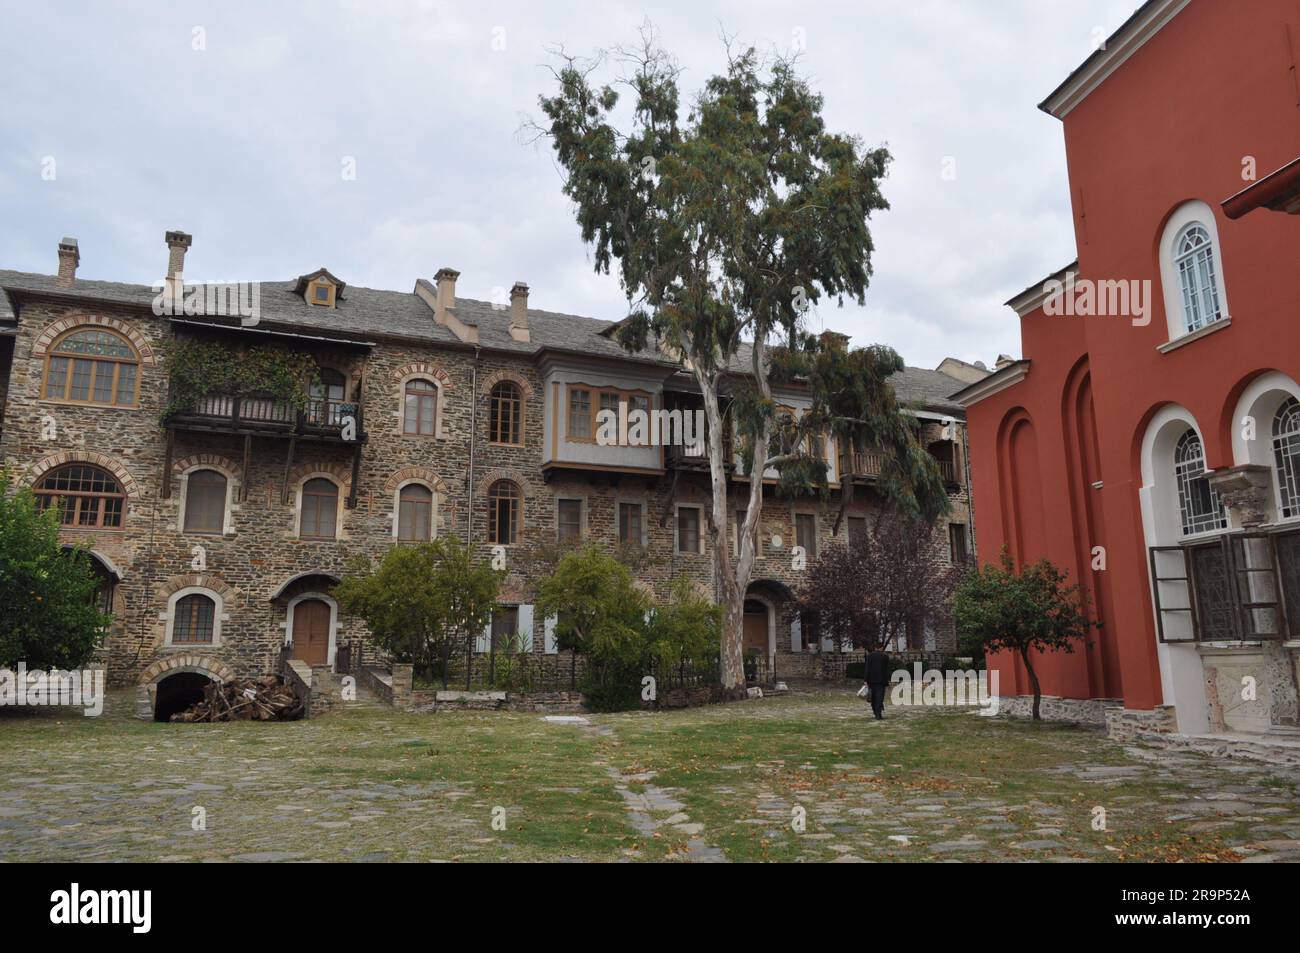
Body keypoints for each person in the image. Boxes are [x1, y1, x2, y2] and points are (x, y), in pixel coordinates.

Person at [865, 646, 890, 720]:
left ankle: (875, 711)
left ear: (875, 647)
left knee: (873, 696)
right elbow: (887, 669)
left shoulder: (870, 656)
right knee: (879, 697)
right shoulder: (885, 656)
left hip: (871, 680)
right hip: (881, 680)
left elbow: (867, 668)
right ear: (881, 648)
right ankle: (878, 713)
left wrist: (865, 680)